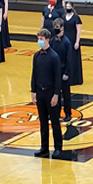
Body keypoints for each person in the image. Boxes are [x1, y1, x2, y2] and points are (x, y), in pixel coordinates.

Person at [30, 29, 64, 159]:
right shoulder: (36, 56)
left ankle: (58, 148)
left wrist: (56, 94)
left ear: (47, 40)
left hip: (51, 93)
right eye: (38, 39)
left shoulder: (54, 57)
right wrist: (33, 91)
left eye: (41, 39)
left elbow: (57, 78)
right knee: (43, 122)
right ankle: (44, 148)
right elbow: (34, 74)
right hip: (40, 92)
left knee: (55, 121)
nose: (39, 41)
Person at [50, 18, 73, 120]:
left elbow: (69, 59)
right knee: (55, 93)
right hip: (54, 72)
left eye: (57, 27)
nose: (56, 29)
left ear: (62, 28)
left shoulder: (67, 42)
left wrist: (67, 73)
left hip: (63, 71)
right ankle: (56, 112)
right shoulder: (52, 41)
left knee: (66, 94)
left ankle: (68, 113)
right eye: (54, 27)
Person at [64, 1, 84, 86]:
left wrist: (77, 42)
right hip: (65, 40)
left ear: (72, 7)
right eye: (67, 6)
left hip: (73, 40)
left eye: (69, 6)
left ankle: (74, 79)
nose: (68, 8)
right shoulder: (63, 17)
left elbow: (78, 31)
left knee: (73, 59)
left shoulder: (76, 18)